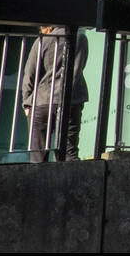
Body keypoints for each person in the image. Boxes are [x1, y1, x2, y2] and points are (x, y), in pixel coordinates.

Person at [21, 26, 89, 163]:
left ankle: (39, 183)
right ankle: (69, 182)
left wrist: (27, 104)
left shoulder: (41, 41)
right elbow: (79, 66)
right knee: (68, 153)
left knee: (38, 156)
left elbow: (30, 74)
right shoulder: (80, 38)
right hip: (71, 100)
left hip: (42, 100)